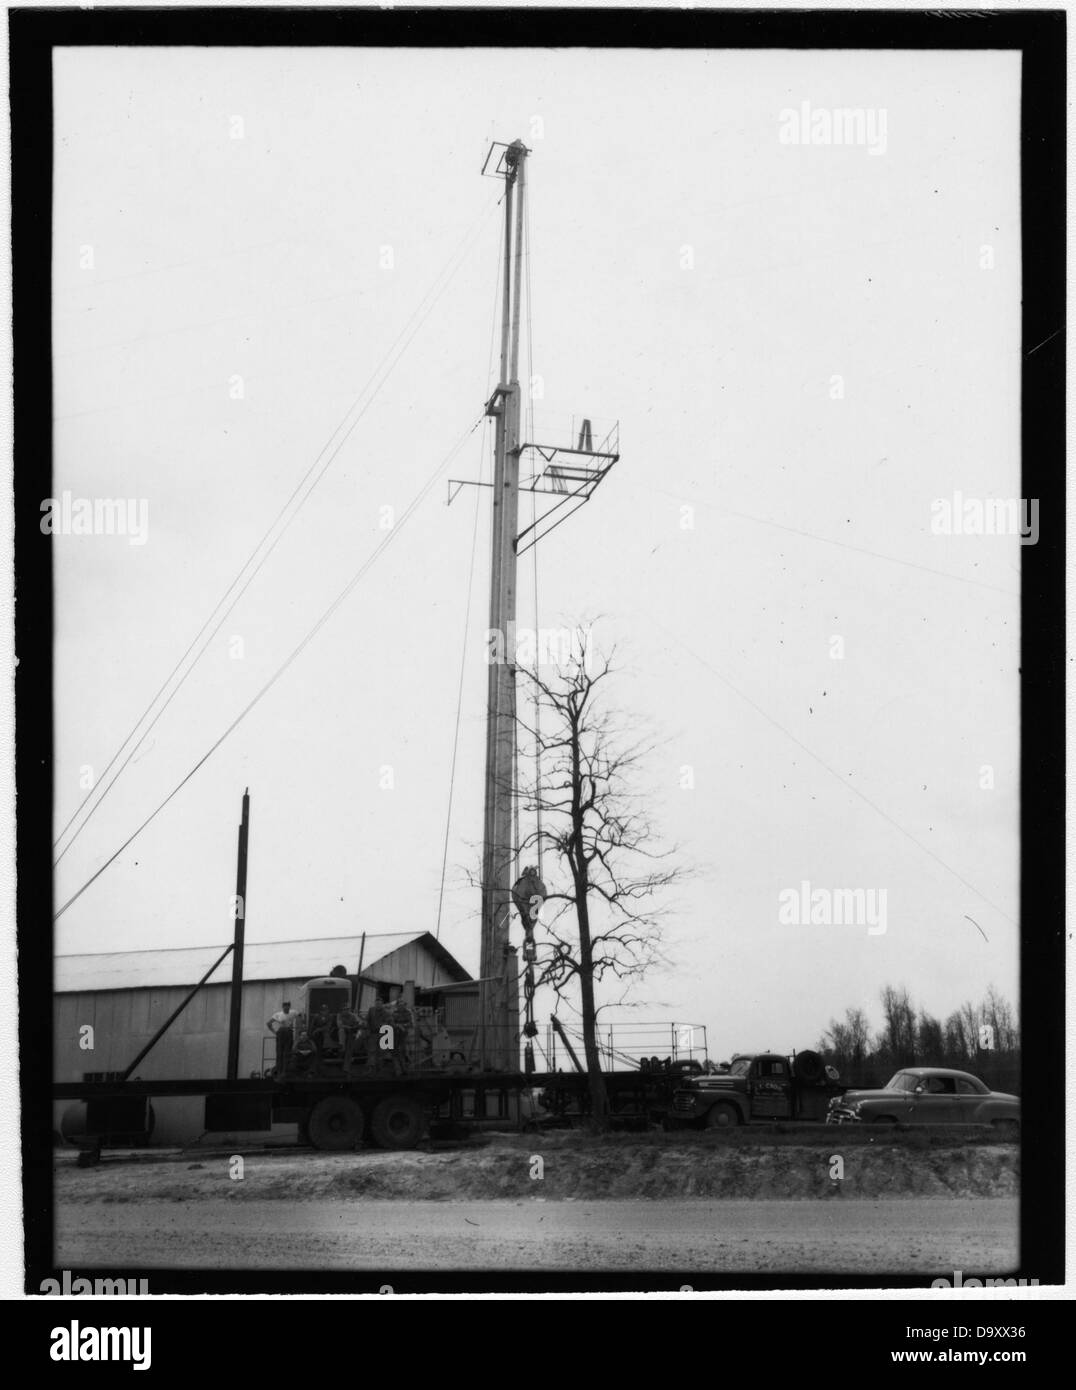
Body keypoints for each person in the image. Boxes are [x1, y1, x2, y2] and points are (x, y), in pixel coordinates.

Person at [267, 1001, 295, 1076]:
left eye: (288, 1006)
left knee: (287, 1053)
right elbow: (269, 1023)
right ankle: (280, 1071)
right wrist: (275, 1032)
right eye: (285, 1006)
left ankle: (284, 1071)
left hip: (288, 1032)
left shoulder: (293, 1012)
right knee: (280, 1053)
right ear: (283, 1007)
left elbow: (300, 1016)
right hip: (281, 1033)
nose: (286, 1007)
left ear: (289, 1006)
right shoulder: (278, 1014)